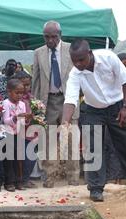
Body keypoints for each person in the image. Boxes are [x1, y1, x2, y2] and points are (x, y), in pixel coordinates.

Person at [62, 39, 126, 202]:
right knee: (93, 147)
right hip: (93, 110)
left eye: (81, 60)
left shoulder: (108, 57)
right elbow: (71, 99)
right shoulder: (75, 73)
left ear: (90, 54)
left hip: (117, 105)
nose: (78, 64)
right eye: (74, 61)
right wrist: (65, 121)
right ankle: (95, 188)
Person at [32, 21, 80, 188]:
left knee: (72, 137)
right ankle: (49, 176)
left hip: (69, 100)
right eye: (47, 37)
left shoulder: (71, 49)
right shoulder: (38, 53)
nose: (50, 40)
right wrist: (36, 105)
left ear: (60, 35)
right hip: (48, 101)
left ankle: (73, 176)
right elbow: (35, 80)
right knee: (48, 140)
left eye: (54, 36)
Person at [2, 78, 29, 192]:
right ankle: (9, 182)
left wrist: (27, 119)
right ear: (9, 91)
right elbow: (5, 120)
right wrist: (15, 118)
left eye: (21, 93)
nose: (19, 95)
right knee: (9, 158)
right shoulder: (6, 103)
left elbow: (23, 122)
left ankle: (19, 181)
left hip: (19, 134)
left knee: (19, 159)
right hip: (8, 134)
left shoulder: (22, 104)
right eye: (17, 93)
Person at [13, 70, 38, 189]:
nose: (26, 87)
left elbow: (36, 112)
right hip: (18, 132)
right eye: (23, 85)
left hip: (30, 133)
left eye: (28, 85)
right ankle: (19, 180)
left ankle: (26, 178)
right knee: (20, 158)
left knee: (31, 156)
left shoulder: (32, 98)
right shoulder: (14, 100)